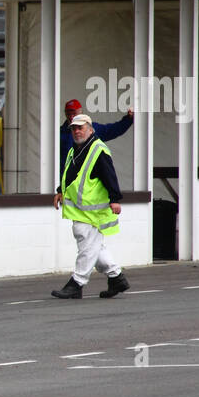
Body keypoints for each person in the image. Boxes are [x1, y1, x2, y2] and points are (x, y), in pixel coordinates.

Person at [51, 113, 130, 299]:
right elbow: (70, 174)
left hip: (94, 211)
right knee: (95, 247)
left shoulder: (98, 150)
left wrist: (115, 199)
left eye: (81, 127)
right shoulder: (75, 149)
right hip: (81, 210)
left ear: (90, 129)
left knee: (87, 247)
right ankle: (116, 277)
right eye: (74, 128)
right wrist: (60, 190)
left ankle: (77, 283)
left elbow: (109, 175)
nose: (77, 131)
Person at [59, 98, 133, 168]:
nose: (71, 117)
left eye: (74, 113)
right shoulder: (59, 134)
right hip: (65, 178)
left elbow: (113, 130)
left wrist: (129, 119)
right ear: (65, 113)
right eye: (68, 114)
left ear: (81, 112)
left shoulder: (92, 128)